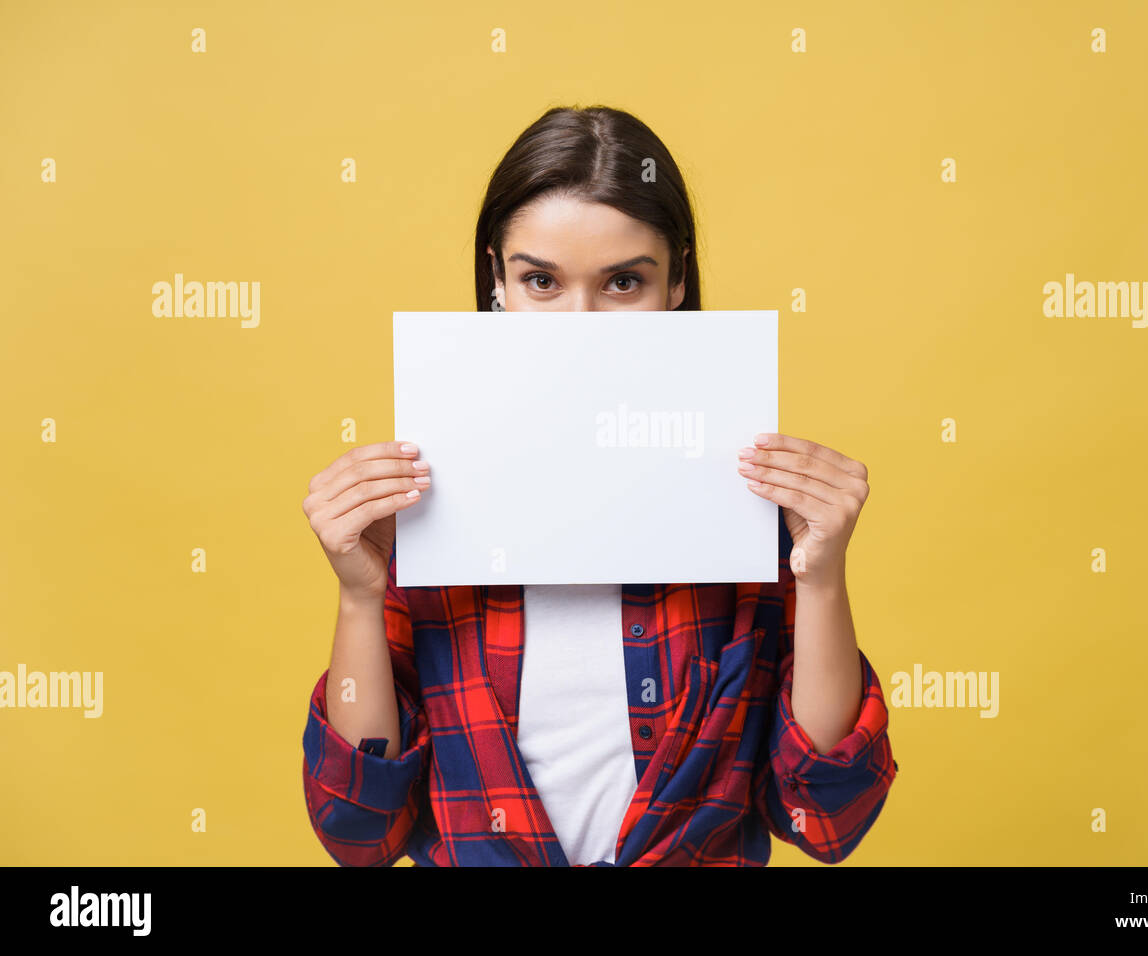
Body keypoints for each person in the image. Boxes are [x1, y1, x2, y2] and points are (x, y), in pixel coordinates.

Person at [300, 104, 898, 866]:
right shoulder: (425, 513)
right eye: (541, 280)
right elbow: (358, 833)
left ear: (676, 280)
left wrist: (821, 577)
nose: (579, 324)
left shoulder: (746, 510)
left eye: (622, 282)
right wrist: (358, 595)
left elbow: (824, 818)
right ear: (497, 281)